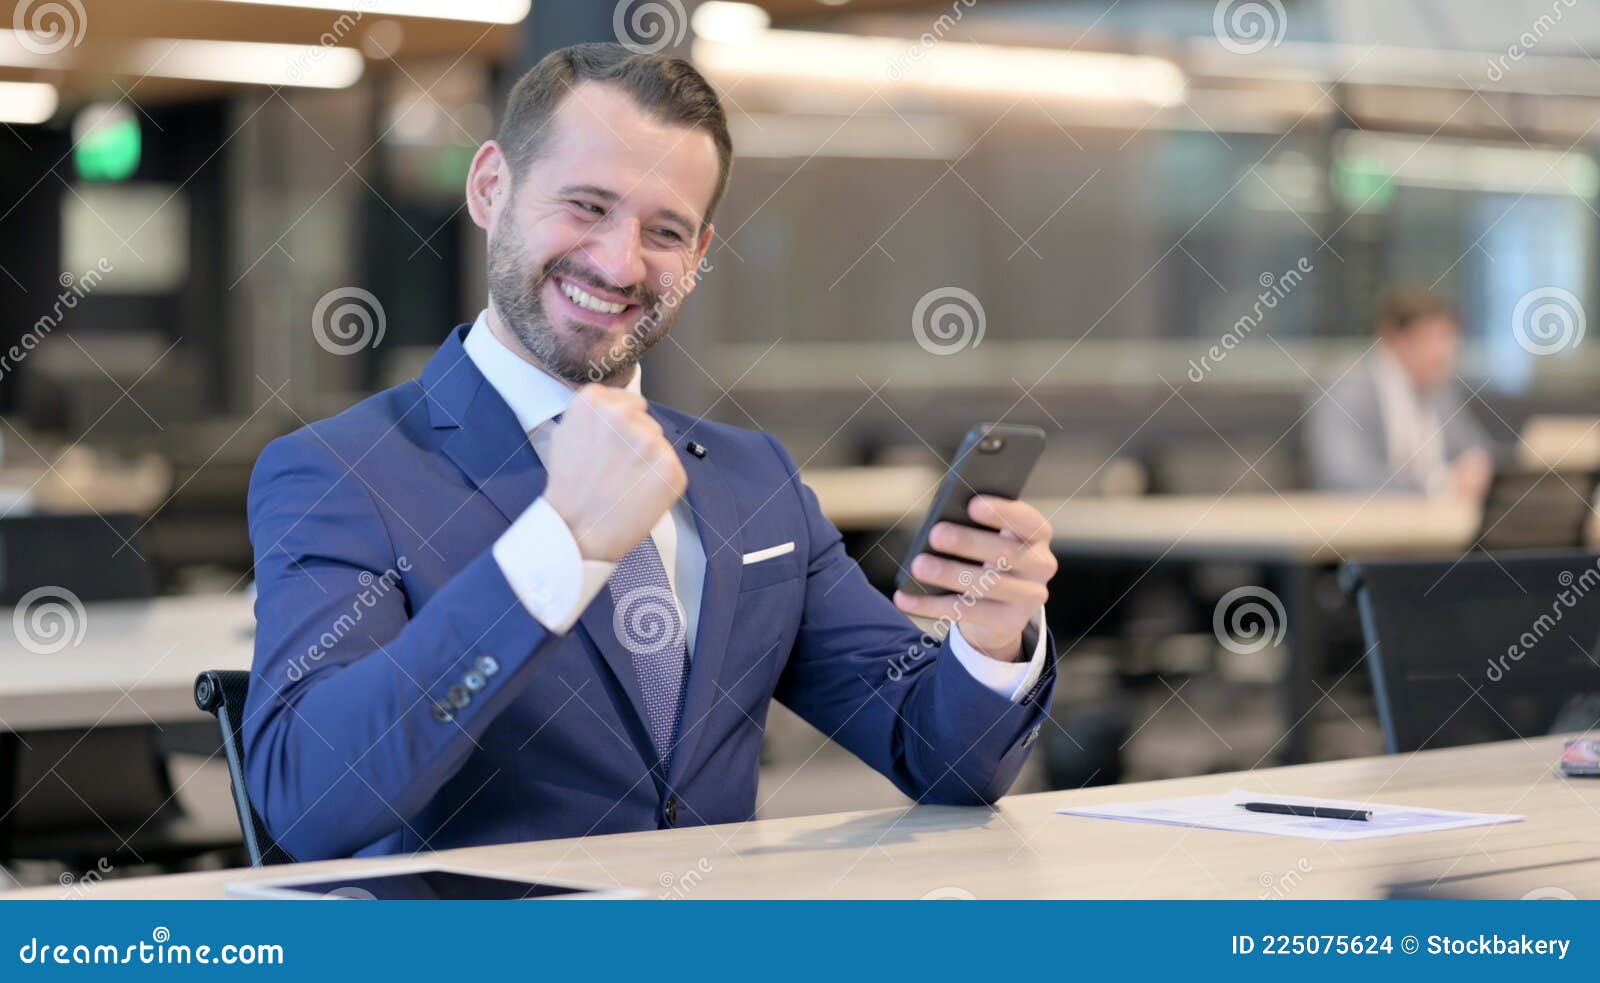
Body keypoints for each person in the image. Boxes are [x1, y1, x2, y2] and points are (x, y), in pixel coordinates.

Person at [242, 44, 1060, 862]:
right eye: (587, 207)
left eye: (663, 230)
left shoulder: (752, 479)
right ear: (492, 187)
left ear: (699, 257)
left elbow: (937, 756)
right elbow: (309, 799)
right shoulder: (341, 473)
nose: (619, 261)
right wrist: (559, 547)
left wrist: (989, 644)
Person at [1306, 286, 1493, 497]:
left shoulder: (1440, 393)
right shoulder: (1345, 389)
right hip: (1366, 525)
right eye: (1429, 338)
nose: (1443, 352)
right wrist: (1436, 486)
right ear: (1392, 339)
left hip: (1435, 523)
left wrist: (1474, 471)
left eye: (1448, 338)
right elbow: (1343, 478)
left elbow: (1476, 452)